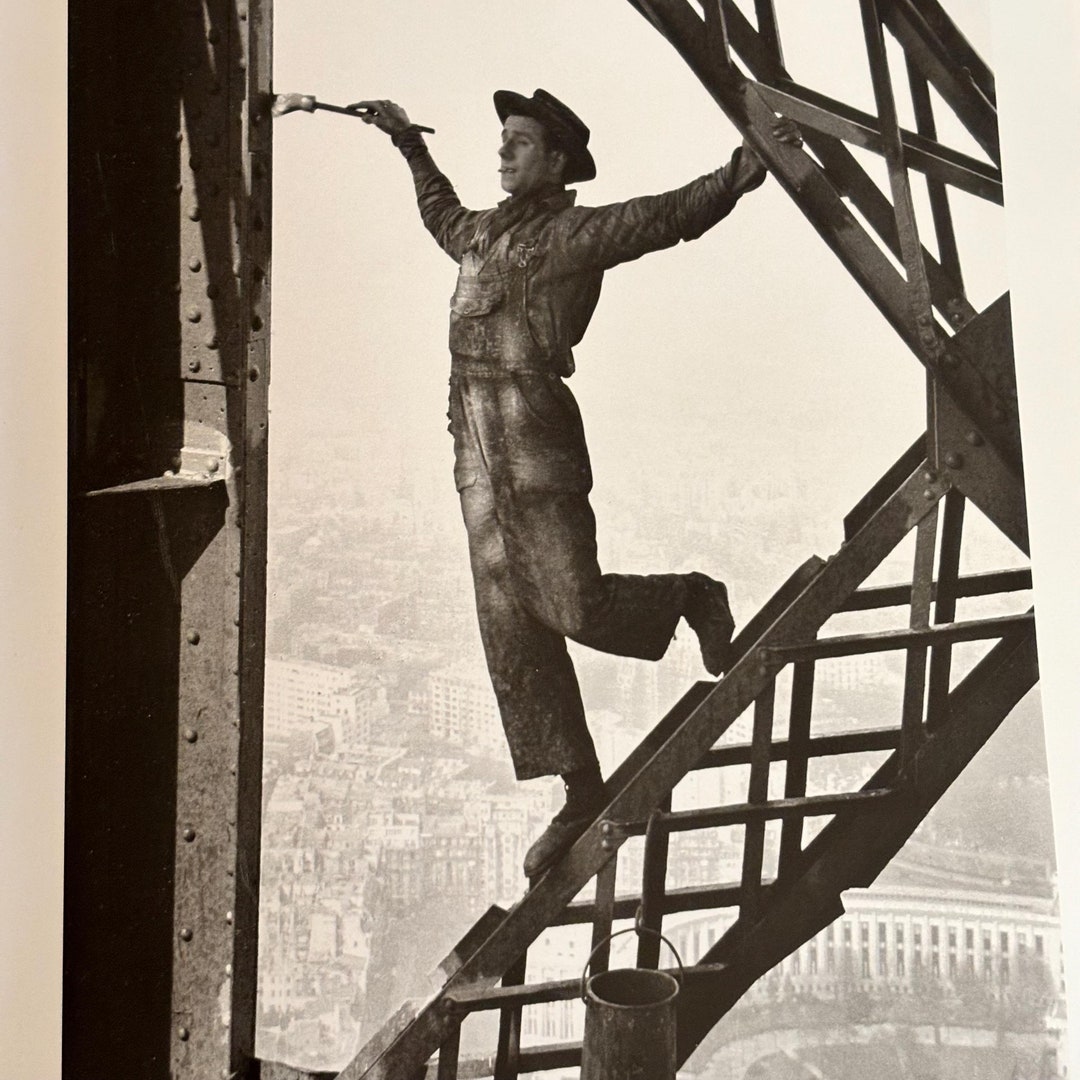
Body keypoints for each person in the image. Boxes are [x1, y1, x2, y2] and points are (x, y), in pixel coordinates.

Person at [355, 89, 801, 879]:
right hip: (477, 447)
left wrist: (737, 174)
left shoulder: (573, 234)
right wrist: (407, 145)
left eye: (518, 144)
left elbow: (661, 217)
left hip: (533, 440)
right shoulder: (482, 234)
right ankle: (580, 785)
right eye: (502, 142)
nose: (503, 155)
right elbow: (440, 213)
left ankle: (692, 595)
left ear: (556, 162)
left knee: (572, 603)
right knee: (509, 625)